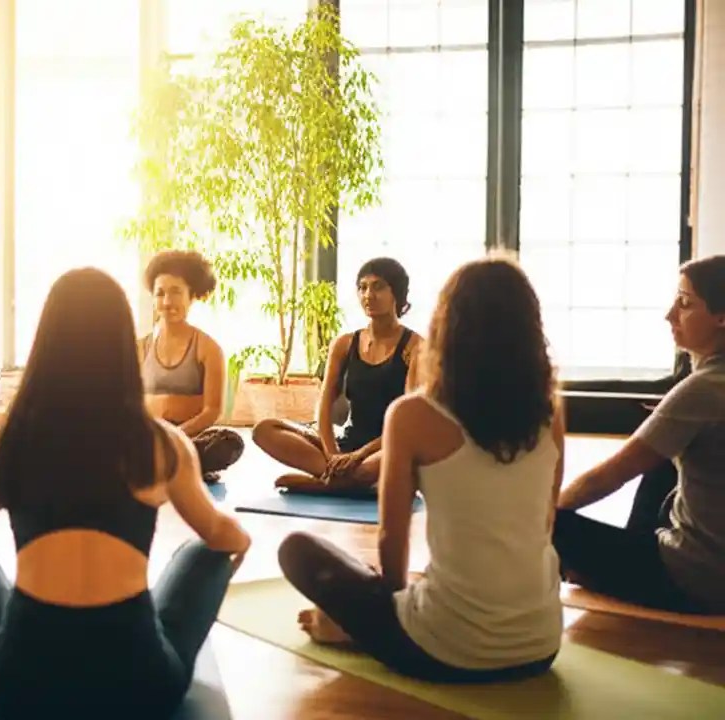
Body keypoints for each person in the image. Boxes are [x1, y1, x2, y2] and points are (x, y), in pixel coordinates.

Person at [0, 268, 251, 718]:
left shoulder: (9, 440)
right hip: (142, 687)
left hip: (17, 683)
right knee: (202, 553)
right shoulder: (161, 443)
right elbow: (226, 538)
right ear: (121, 347)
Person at [277, 257, 564, 683]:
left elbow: (392, 540)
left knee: (297, 549)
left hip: (443, 650)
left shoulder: (413, 414)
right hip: (541, 645)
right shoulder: (551, 411)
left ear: (449, 325)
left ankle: (348, 631)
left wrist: (371, 620)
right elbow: (545, 519)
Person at [554, 255, 725, 614]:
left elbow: (607, 477)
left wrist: (548, 516)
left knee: (553, 525)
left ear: (722, 317)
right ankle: (628, 555)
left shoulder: (704, 389)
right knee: (661, 462)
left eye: (685, 303)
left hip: (697, 581)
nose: (670, 315)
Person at [252, 257, 423, 494]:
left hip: (386, 447)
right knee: (264, 429)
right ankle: (343, 481)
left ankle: (325, 483)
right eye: (362, 287)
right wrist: (333, 453)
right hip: (347, 444)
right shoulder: (344, 344)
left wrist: (360, 455)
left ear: (397, 292)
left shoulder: (415, 348)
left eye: (378, 286)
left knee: (375, 464)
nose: (368, 295)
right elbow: (324, 406)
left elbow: (408, 422)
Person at [140, 250, 244, 484]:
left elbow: (212, 411)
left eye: (176, 292)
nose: (167, 302)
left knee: (229, 442)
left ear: (192, 296)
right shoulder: (139, 348)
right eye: (160, 293)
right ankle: (173, 465)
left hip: (188, 438)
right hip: (146, 437)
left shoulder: (209, 349)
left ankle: (170, 462)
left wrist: (176, 437)